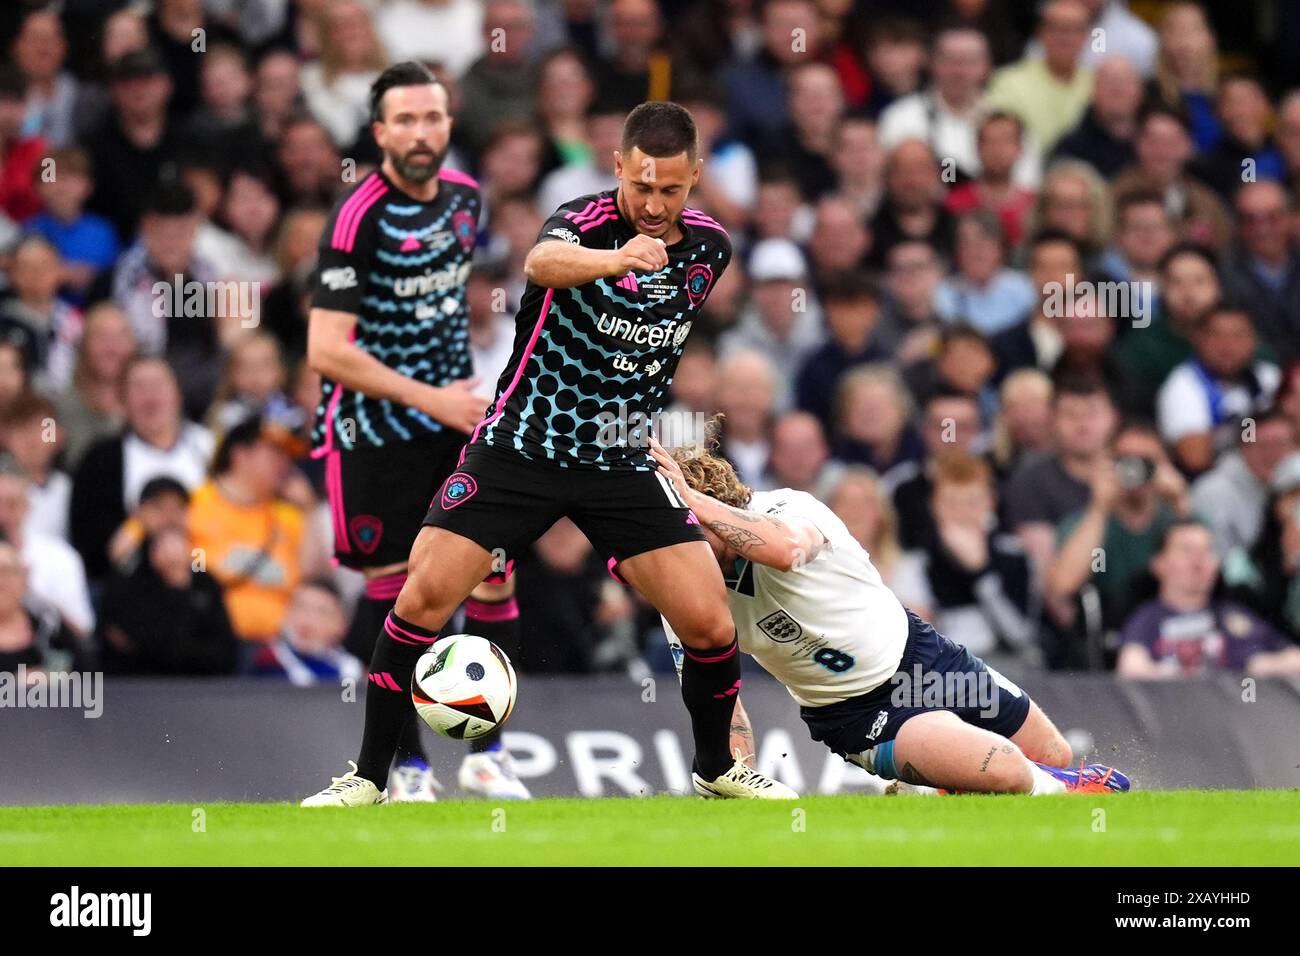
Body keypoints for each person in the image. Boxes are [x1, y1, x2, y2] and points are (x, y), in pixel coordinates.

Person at [302, 100, 794, 806]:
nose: (653, 205)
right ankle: (371, 777)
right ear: (618, 166)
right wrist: (615, 259)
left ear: (696, 179)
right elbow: (542, 260)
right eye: (641, 185)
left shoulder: (710, 249)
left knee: (710, 621)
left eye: (671, 190)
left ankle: (716, 768)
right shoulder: (584, 223)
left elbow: (645, 349)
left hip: (618, 455)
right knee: (421, 598)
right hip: (523, 444)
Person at [651, 435, 1129, 795]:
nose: (681, 544)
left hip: (922, 654)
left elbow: (785, 550)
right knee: (1006, 768)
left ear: (718, 505)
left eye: (688, 526)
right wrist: (738, 784)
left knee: (1052, 753)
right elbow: (721, 702)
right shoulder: (684, 588)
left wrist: (691, 502)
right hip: (857, 713)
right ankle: (1059, 790)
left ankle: (934, 791)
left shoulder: (789, 506)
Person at [302, 63, 528, 802]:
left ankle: (491, 757)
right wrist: (429, 398)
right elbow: (326, 350)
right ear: (379, 133)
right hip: (372, 432)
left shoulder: (466, 201)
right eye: (405, 121)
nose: (421, 133)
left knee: (494, 569)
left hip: (454, 420)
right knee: (397, 590)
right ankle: (408, 770)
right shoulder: (355, 217)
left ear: (448, 125)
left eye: (432, 118)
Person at [1117, 520, 1300, 678]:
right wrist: (1180, 675)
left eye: (1207, 550)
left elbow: (1294, 658)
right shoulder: (1146, 619)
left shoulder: (1235, 617)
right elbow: (1131, 670)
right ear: (1158, 564)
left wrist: (1264, 665)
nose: (1198, 561)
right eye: (1185, 550)